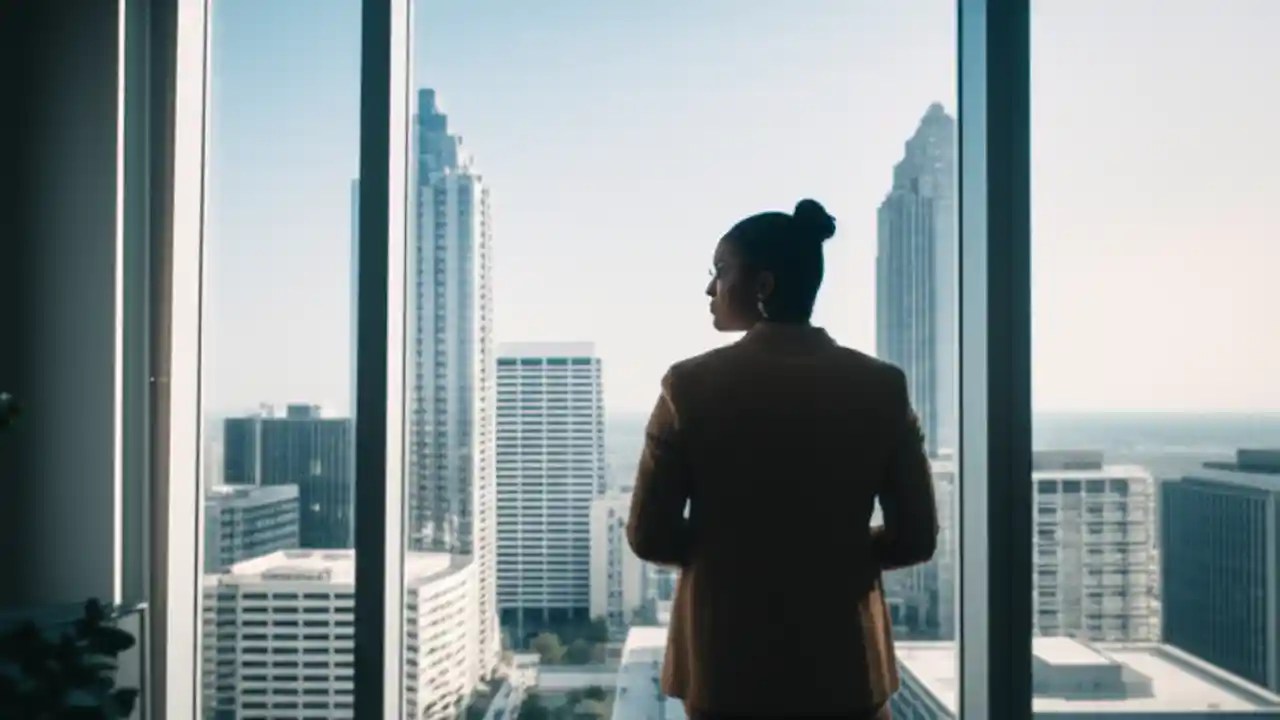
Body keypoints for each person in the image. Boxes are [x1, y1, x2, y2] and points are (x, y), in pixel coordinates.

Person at [627, 199, 938, 720]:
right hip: (845, 669)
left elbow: (649, 535)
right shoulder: (882, 387)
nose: (710, 288)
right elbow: (915, 537)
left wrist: (736, 553)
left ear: (763, 286)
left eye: (720, 272)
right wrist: (825, 550)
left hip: (726, 668)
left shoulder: (688, 388)